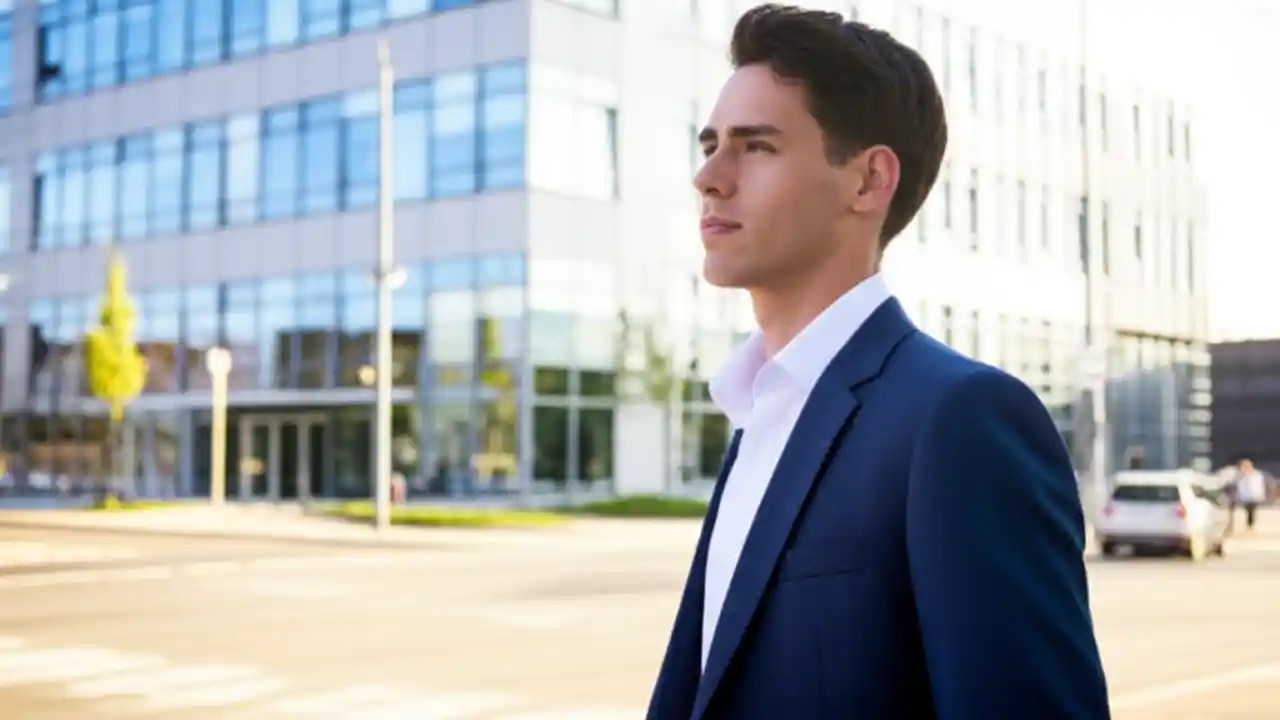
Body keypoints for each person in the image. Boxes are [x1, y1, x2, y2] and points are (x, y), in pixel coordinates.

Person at [647, 6, 1111, 719]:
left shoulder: (961, 420)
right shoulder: (758, 415)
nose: (708, 175)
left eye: (757, 146)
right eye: (709, 143)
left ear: (867, 181)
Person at [1235, 458, 1267, 531]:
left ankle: (1250, 524)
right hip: (1246, 496)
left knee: (1252, 510)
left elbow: (1259, 485)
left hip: (1254, 495)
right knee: (1248, 510)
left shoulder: (1257, 475)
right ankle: (1250, 523)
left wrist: (1261, 494)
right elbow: (1239, 486)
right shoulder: (1240, 476)